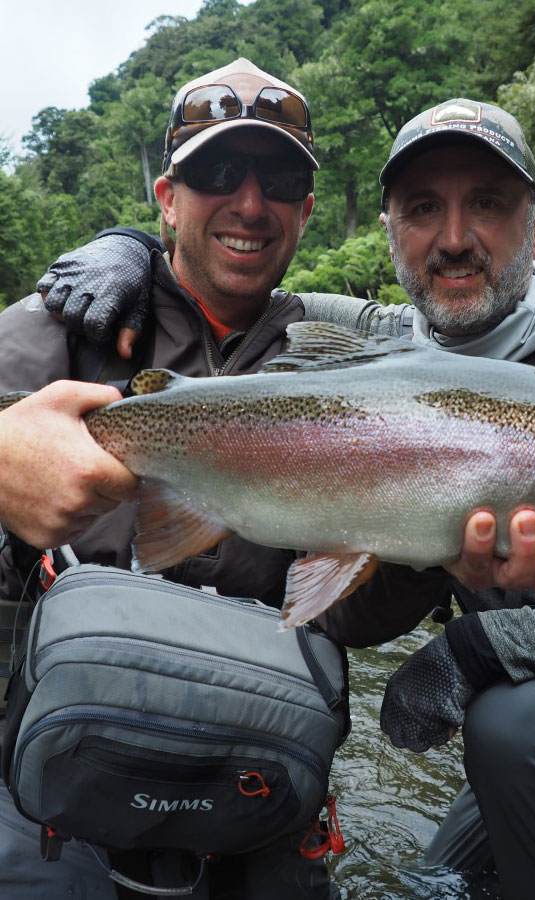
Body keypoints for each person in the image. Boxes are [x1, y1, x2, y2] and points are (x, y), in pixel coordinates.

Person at [35, 95, 535, 900]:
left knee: (519, 733)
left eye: (487, 204)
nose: (454, 238)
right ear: (390, 232)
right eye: (423, 209)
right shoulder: (394, 336)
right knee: (436, 880)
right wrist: (130, 250)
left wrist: (476, 650)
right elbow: (228, 268)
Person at [0, 56, 341, 900]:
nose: (250, 204)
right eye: (219, 172)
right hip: (53, 771)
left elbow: (354, 618)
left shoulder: (333, 363)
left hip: (248, 767)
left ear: (306, 208)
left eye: (279, 179)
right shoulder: (62, 321)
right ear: (166, 197)